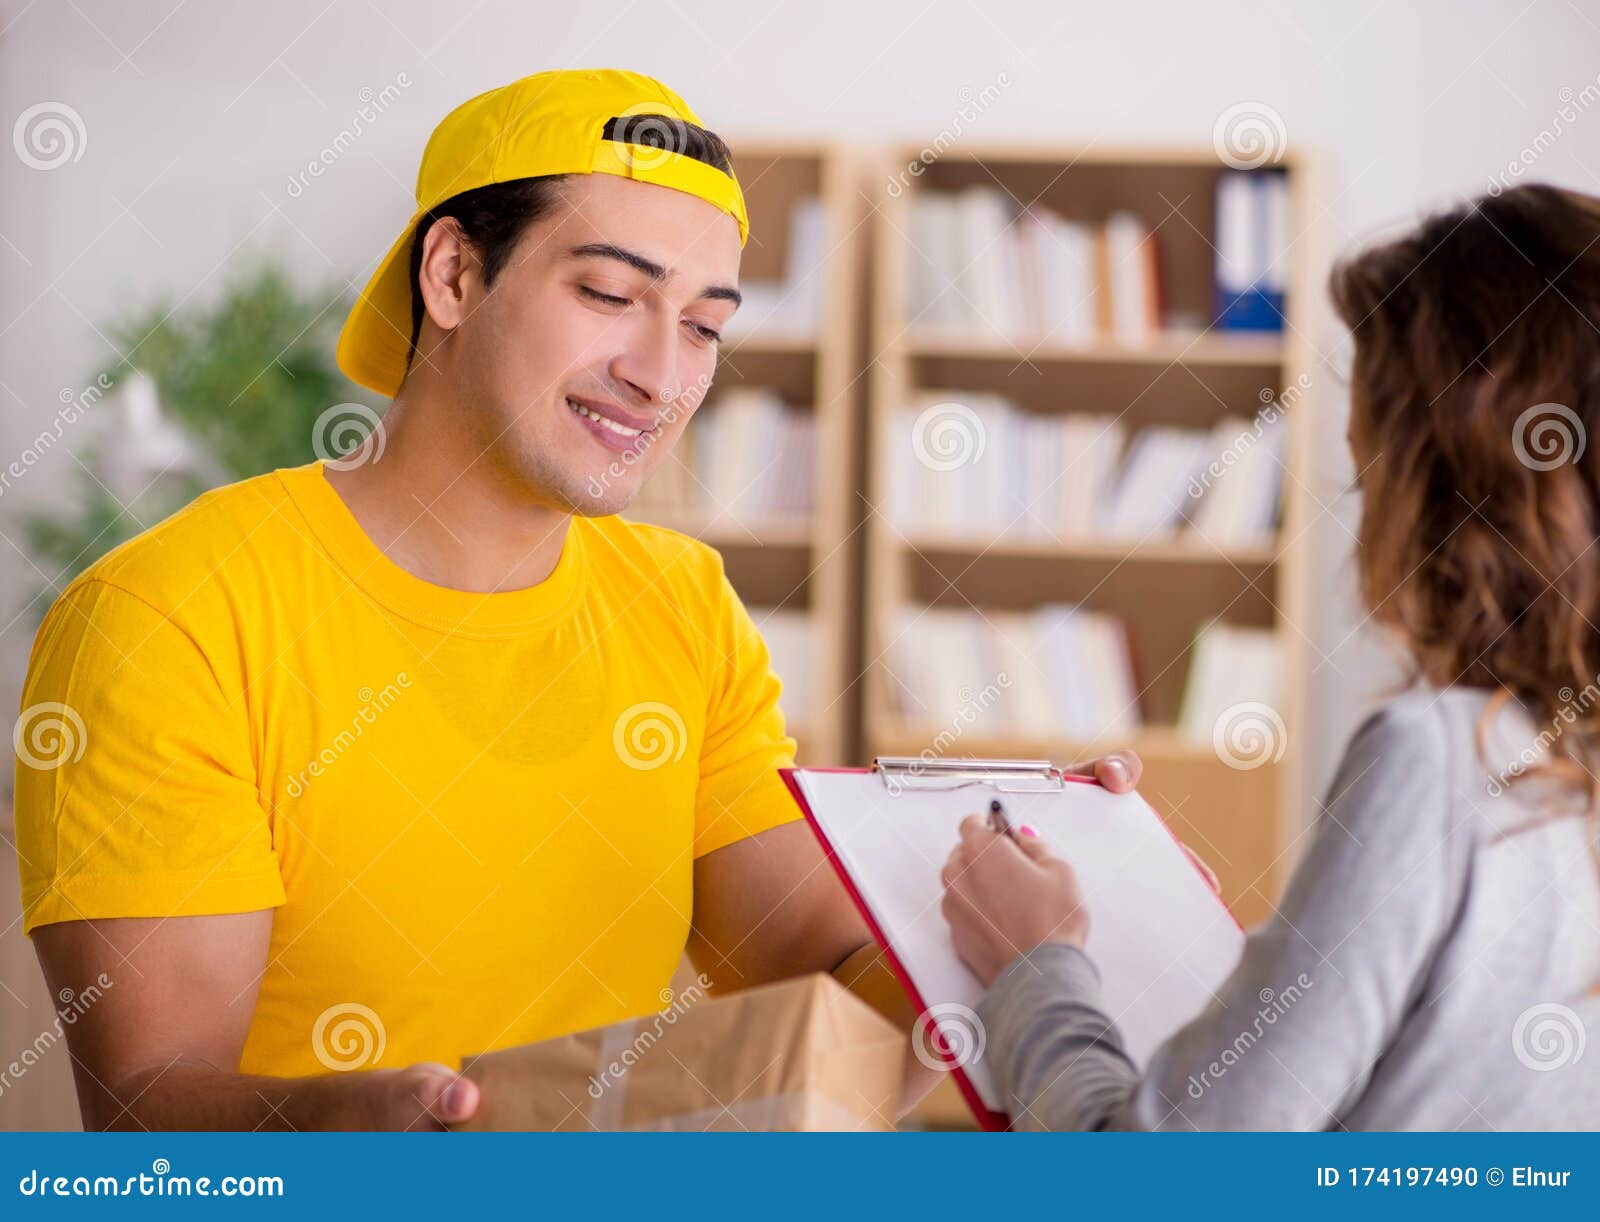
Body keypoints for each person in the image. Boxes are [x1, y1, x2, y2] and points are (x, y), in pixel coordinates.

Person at [9, 65, 1146, 1131]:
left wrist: (1024, 913)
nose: (662, 374)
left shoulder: (681, 601)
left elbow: (823, 970)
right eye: (611, 293)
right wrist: (352, 1120)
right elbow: (146, 1106)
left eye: (704, 325)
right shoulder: (170, 616)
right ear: (453, 275)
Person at [941, 183, 1600, 1131]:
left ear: (1433, 475)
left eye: (1367, 447)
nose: (1359, 492)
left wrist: (1028, 965)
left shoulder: (1443, 758)